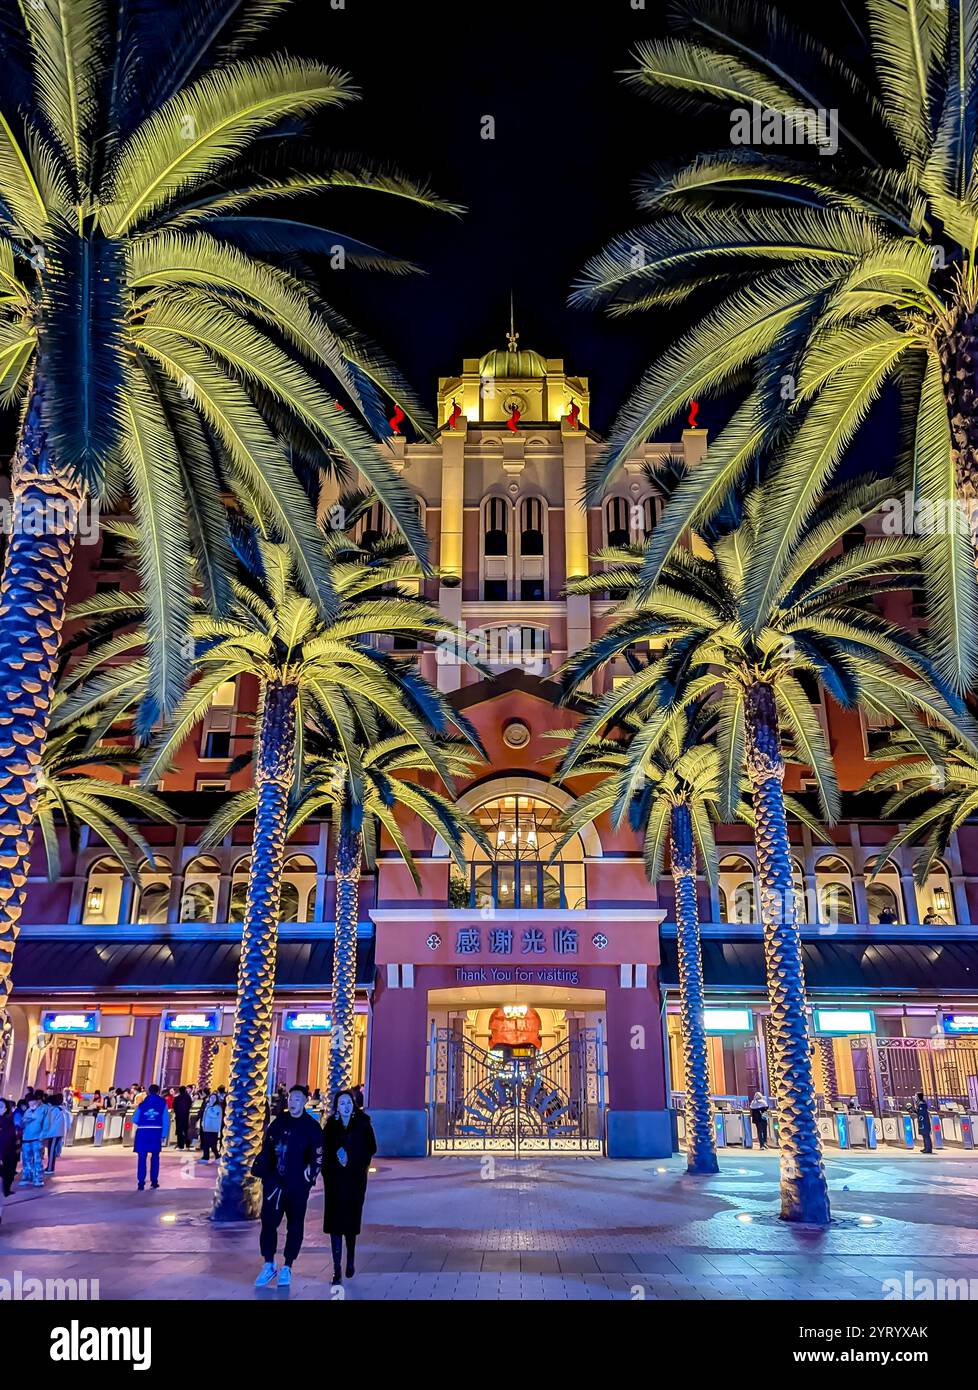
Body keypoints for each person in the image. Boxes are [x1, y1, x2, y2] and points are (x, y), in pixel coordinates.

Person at [252, 1084, 323, 1289]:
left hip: (297, 1187)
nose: (293, 1102)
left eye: (297, 1098)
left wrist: (309, 1179)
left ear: (305, 1101)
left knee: (295, 1224)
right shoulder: (278, 1123)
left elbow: (318, 1156)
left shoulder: (311, 1127)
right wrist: (267, 1176)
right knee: (268, 1222)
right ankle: (269, 1263)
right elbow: (267, 1149)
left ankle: (288, 1265)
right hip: (275, 1184)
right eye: (291, 1098)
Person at [322, 1089, 377, 1284]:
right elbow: (325, 1153)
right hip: (335, 1182)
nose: (345, 1106)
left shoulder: (363, 1125)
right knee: (335, 1225)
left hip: (354, 1181)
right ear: (336, 1107)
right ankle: (336, 1268)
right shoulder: (330, 1127)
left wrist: (352, 1158)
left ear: (353, 1105)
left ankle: (350, 1260)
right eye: (341, 1103)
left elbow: (371, 1148)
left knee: (351, 1224)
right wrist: (333, 1164)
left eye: (348, 1102)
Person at [132, 1084, 169, 1189]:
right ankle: (154, 1181)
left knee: (142, 1158)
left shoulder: (142, 1104)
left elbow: (135, 1119)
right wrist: (163, 1135)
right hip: (156, 1132)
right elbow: (165, 1120)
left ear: (148, 1091)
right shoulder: (163, 1103)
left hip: (142, 1133)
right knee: (155, 1157)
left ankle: (141, 1182)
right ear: (158, 1092)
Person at [20, 1092, 48, 1187]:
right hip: (26, 1138)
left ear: (37, 1101)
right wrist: (23, 1122)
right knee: (26, 1158)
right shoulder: (27, 1111)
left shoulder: (43, 1110)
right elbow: (22, 1124)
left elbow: (46, 1124)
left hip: (37, 1139)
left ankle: (38, 1178)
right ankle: (27, 1176)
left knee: (37, 1159)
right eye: (30, 1104)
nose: (32, 1105)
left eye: (33, 1103)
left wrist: (42, 1136)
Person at [42, 1091, 69, 1173]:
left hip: (54, 1133)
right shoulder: (59, 1109)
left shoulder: (54, 1110)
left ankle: (50, 1168)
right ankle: (50, 1167)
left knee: (51, 1150)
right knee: (51, 1150)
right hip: (56, 1133)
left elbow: (49, 1122)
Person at [0, 1098, 18, 1199]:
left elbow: (11, 1136)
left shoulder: (9, 1120)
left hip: (10, 1151)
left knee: (10, 1172)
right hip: (2, 1150)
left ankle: (7, 1190)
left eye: (2, 1107)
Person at [198, 1093, 223, 1162]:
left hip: (213, 1129)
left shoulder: (217, 1107)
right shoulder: (208, 1106)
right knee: (206, 1143)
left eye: (214, 1098)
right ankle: (205, 1157)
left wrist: (209, 1108)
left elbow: (214, 1115)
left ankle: (217, 1157)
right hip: (206, 1128)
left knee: (212, 1144)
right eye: (211, 1098)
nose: (212, 1099)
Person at [173, 1086, 192, 1150]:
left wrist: (177, 1112)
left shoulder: (177, 1098)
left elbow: (174, 1107)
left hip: (178, 1116)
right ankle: (187, 1145)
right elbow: (190, 1105)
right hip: (186, 1116)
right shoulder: (188, 1097)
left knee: (179, 1131)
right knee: (186, 1131)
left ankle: (180, 1145)